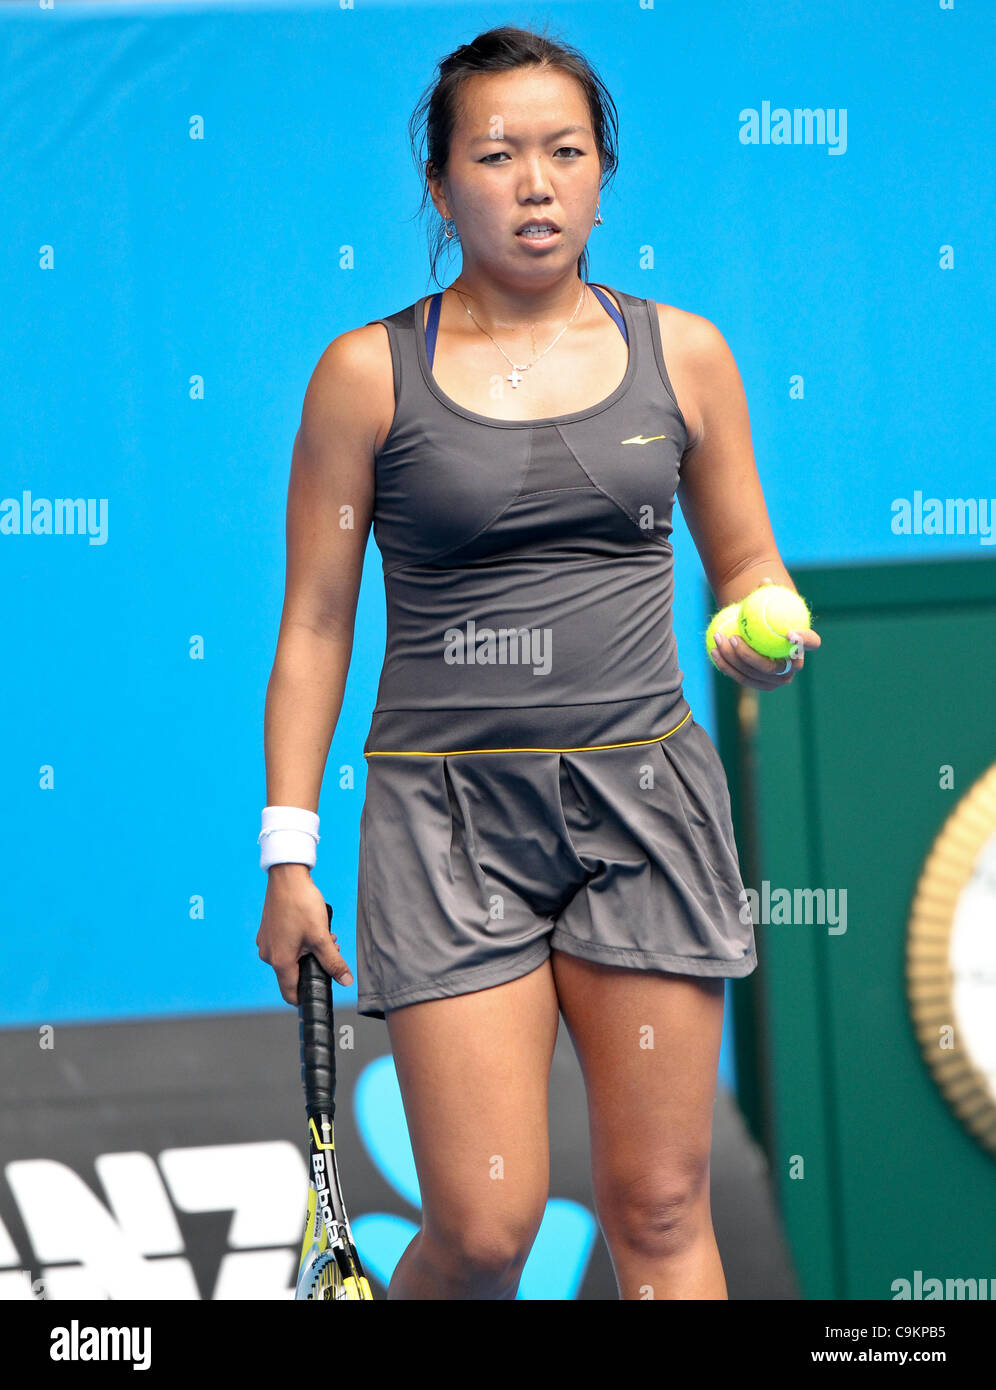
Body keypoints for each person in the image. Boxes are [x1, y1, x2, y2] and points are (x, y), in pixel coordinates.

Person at [256, 24, 821, 1301]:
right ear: (442, 182)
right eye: (497, 154)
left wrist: (758, 626)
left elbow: (748, 568)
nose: (535, 183)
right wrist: (286, 857)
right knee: (491, 1225)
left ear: (603, 171)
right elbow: (314, 624)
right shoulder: (364, 376)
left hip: (647, 803)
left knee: (661, 1203)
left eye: (565, 151)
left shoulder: (686, 355)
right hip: (444, 822)